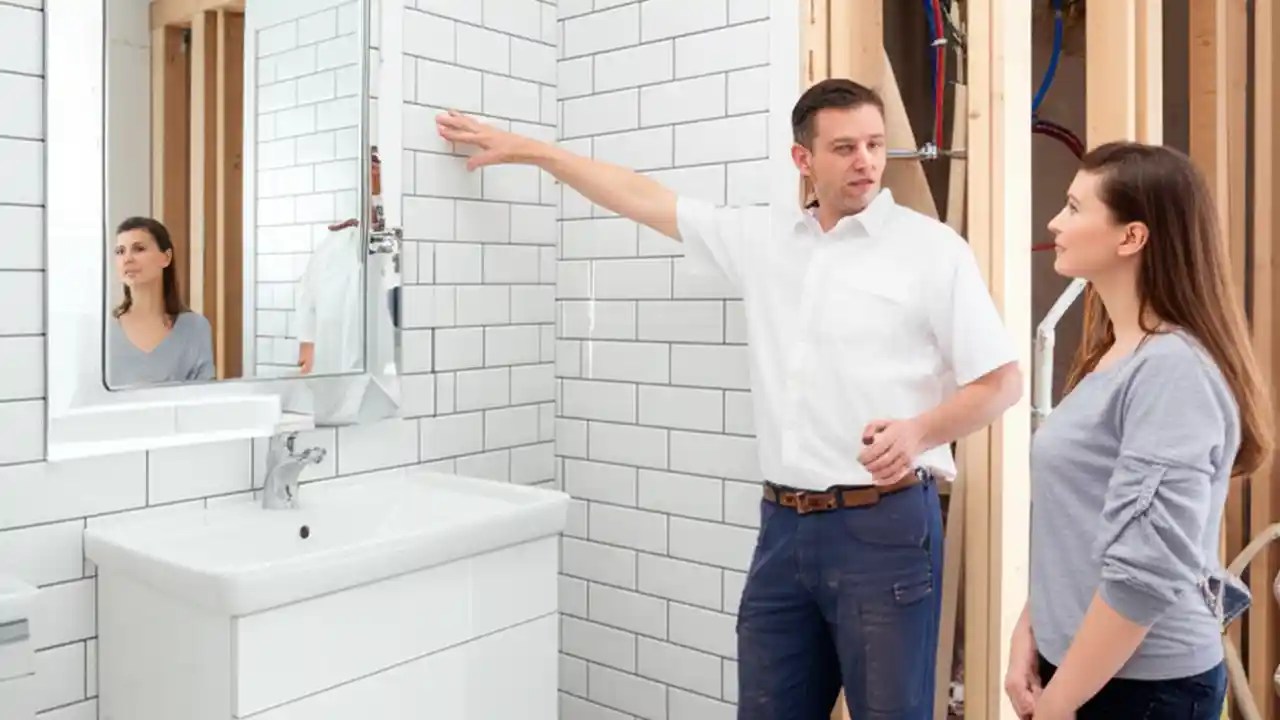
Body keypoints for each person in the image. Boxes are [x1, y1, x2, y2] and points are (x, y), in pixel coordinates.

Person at [439, 76, 1022, 719]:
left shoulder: (930, 250)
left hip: (883, 528)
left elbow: (1001, 383)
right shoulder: (764, 241)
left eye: (875, 145)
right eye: (845, 147)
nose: (866, 161)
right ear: (804, 160)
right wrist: (535, 152)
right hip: (783, 528)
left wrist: (918, 431)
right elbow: (645, 199)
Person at [1005, 142, 1274, 720]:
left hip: (1142, 689)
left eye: (1075, 208)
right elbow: (1080, 527)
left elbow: (1144, 575)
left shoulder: (1172, 371)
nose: (1055, 222)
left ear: (1131, 237)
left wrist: (1061, 700)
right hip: (1084, 667)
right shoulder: (1113, 352)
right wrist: (1032, 627)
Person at [107, 216, 215, 387]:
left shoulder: (195, 329)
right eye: (120, 251)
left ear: (166, 257)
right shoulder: (102, 332)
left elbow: (202, 401)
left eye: (139, 249)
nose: (127, 259)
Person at [296, 218, 364, 376]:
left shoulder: (367, 266)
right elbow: (308, 304)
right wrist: (307, 344)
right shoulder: (329, 257)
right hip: (329, 358)